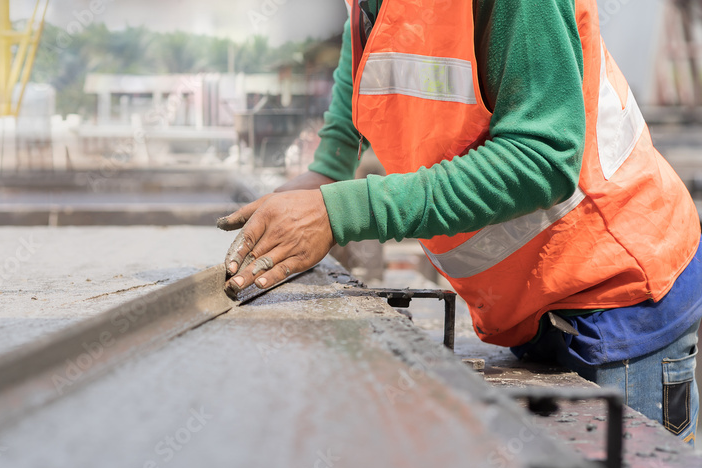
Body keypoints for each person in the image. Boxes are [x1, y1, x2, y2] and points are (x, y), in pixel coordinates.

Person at [219, 0, 702, 444]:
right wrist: (324, 172)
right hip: (529, 308)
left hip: (619, 298)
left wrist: (338, 211)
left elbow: (541, 157)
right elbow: (370, 65)